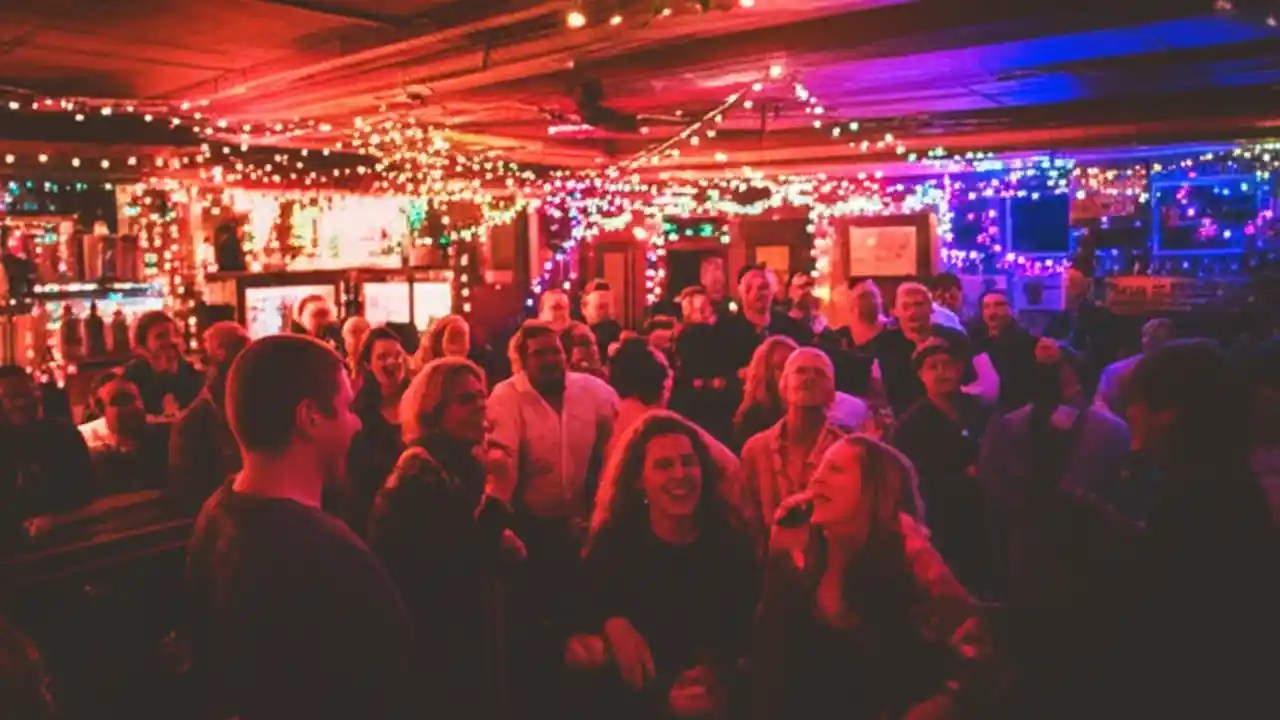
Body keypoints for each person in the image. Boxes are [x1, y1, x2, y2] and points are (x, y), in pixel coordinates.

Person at [186, 335, 413, 720]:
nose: (357, 422)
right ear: (309, 418)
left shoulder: (215, 516)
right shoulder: (327, 554)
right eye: (346, 407)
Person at [754, 436, 985, 719]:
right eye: (818, 469)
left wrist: (947, 700)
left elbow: (979, 653)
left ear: (876, 491)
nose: (817, 480)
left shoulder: (909, 572)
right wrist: (777, 562)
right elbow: (769, 673)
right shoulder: (800, 572)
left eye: (835, 470)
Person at [568, 411, 759, 719]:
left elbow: (746, 641)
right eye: (663, 465)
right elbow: (582, 652)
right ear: (639, 483)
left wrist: (718, 678)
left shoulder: (729, 545)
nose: (680, 474)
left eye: (688, 462)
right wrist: (611, 623)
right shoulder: (612, 549)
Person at [1124, 340, 1279, 718]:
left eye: (1134, 402)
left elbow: (1174, 624)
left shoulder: (1202, 495)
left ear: (1168, 413)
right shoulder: (1224, 482)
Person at [367, 357, 523, 717]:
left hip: (468, 633)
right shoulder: (419, 471)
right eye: (465, 400)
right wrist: (498, 498)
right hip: (437, 641)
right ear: (433, 410)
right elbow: (457, 563)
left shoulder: (461, 462)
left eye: (481, 396)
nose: (479, 406)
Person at [486, 320, 618, 715]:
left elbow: (622, 435)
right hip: (529, 526)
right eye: (539, 353)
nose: (550, 359)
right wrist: (501, 518)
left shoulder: (590, 391)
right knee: (535, 628)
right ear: (522, 360)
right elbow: (501, 460)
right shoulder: (506, 398)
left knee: (580, 618)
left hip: (581, 523)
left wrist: (606, 499)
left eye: (554, 350)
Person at [890, 339, 993, 594]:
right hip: (940, 528)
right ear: (921, 375)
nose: (941, 372)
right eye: (932, 367)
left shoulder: (982, 411)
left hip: (987, 521)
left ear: (959, 369)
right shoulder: (907, 427)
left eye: (946, 365)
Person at [741, 348, 849, 534]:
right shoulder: (755, 450)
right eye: (800, 371)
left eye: (819, 373)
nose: (809, 378)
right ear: (783, 386)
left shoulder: (846, 453)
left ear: (831, 394)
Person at [0, 365, 94, 545]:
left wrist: (56, 520)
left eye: (28, 394)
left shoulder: (64, 434)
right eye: (12, 398)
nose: (22, 403)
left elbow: (87, 497)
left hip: (70, 539)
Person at [870, 282, 991, 416]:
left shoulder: (955, 339)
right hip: (902, 421)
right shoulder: (884, 343)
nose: (912, 312)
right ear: (895, 311)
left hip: (950, 418)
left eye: (919, 304)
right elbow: (875, 388)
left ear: (931, 308)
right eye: (906, 306)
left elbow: (974, 384)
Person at [169, 321, 250, 511]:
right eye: (240, 346)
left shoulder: (251, 401)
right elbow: (190, 498)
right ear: (220, 354)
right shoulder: (195, 423)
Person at [344, 328, 410, 534]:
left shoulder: (419, 404)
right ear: (368, 364)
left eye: (397, 356)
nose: (392, 362)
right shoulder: (360, 413)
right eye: (382, 357)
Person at [82, 370, 169, 495]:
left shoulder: (163, 442)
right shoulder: (92, 452)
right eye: (121, 401)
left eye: (135, 399)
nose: (133, 407)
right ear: (101, 409)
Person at [120, 310, 203, 418]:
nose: (169, 341)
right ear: (143, 344)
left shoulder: (189, 371)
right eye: (160, 336)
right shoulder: (134, 373)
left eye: (172, 335)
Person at [969, 289, 1037, 412]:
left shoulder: (1025, 341)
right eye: (987, 307)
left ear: (1011, 309)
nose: (992, 311)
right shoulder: (974, 339)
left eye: (999, 305)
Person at [1092, 317, 1175, 417]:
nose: (1149, 341)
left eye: (1157, 339)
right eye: (1149, 337)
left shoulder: (1180, 374)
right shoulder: (1114, 371)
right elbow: (1099, 405)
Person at [732, 336, 800, 449]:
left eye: (795, 367)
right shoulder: (751, 418)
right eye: (782, 367)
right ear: (766, 374)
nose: (790, 374)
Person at [719, 265, 781, 375]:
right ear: (741, 293)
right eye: (750, 287)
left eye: (763, 287)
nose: (759, 293)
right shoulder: (725, 332)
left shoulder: (788, 327)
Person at [773, 271, 826, 346]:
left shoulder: (820, 322)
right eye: (801, 287)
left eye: (809, 287)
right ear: (790, 291)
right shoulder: (780, 320)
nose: (806, 291)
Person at [582, 279, 623, 363]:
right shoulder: (577, 333)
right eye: (601, 306)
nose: (608, 312)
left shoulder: (617, 333)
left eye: (610, 306)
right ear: (584, 307)